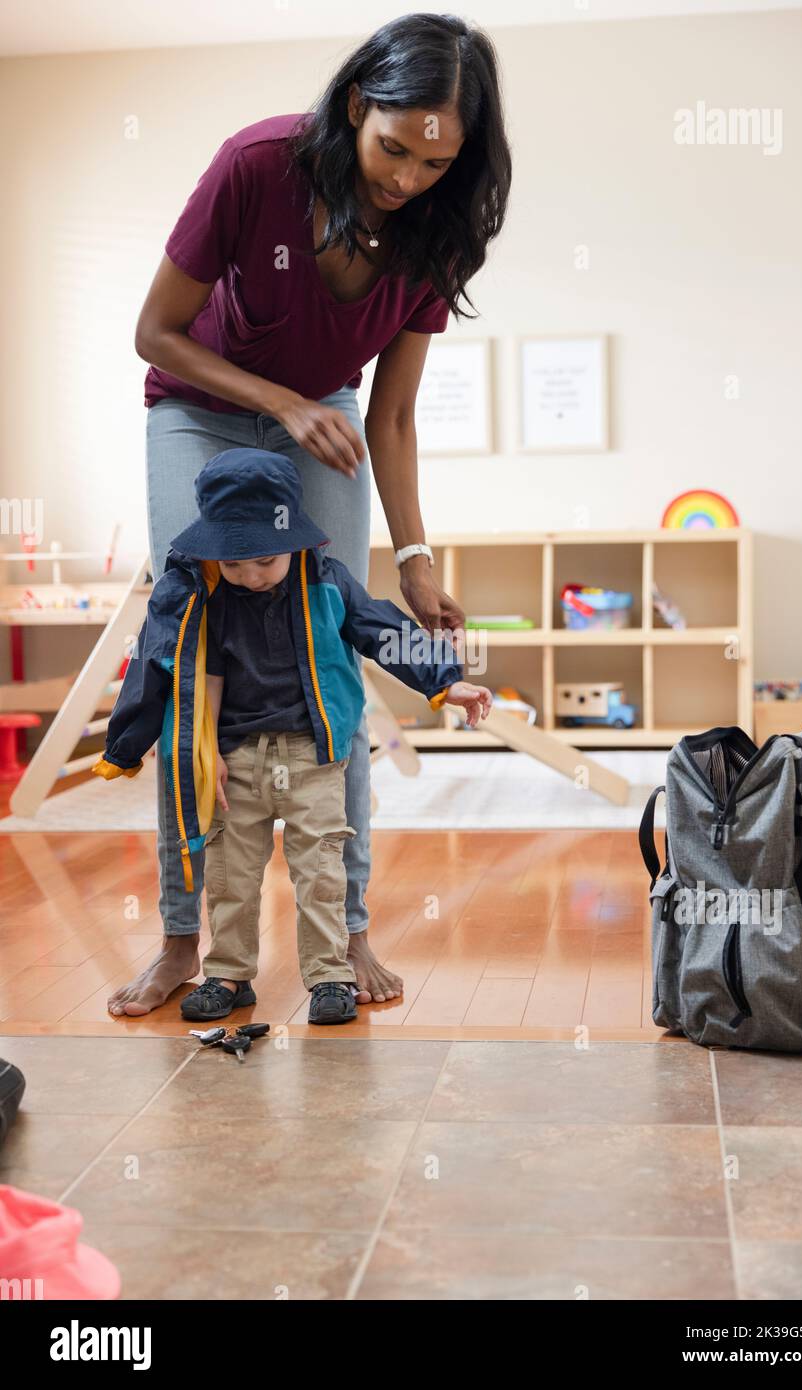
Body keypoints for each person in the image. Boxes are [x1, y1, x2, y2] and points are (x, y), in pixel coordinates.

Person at [107, 13, 512, 1017]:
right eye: (393, 147)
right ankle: (179, 934)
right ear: (354, 104)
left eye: (436, 160)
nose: (409, 177)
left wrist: (414, 559)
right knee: (198, 653)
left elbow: (397, 410)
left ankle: (349, 929)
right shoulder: (256, 165)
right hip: (201, 412)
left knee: (335, 653)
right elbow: (154, 334)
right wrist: (279, 404)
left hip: (324, 417)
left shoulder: (438, 229)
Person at [93, 448, 493, 1023]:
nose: (250, 576)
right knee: (231, 874)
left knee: (321, 871)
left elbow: (381, 628)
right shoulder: (210, 595)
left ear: (294, 540)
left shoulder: (328, 581)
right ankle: (228, 975)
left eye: (263, 561)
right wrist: (190, 751)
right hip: (238, 759)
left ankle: (330, 976)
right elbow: (184, 668)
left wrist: (444, 682)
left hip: (313, 759)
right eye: (234, 565)